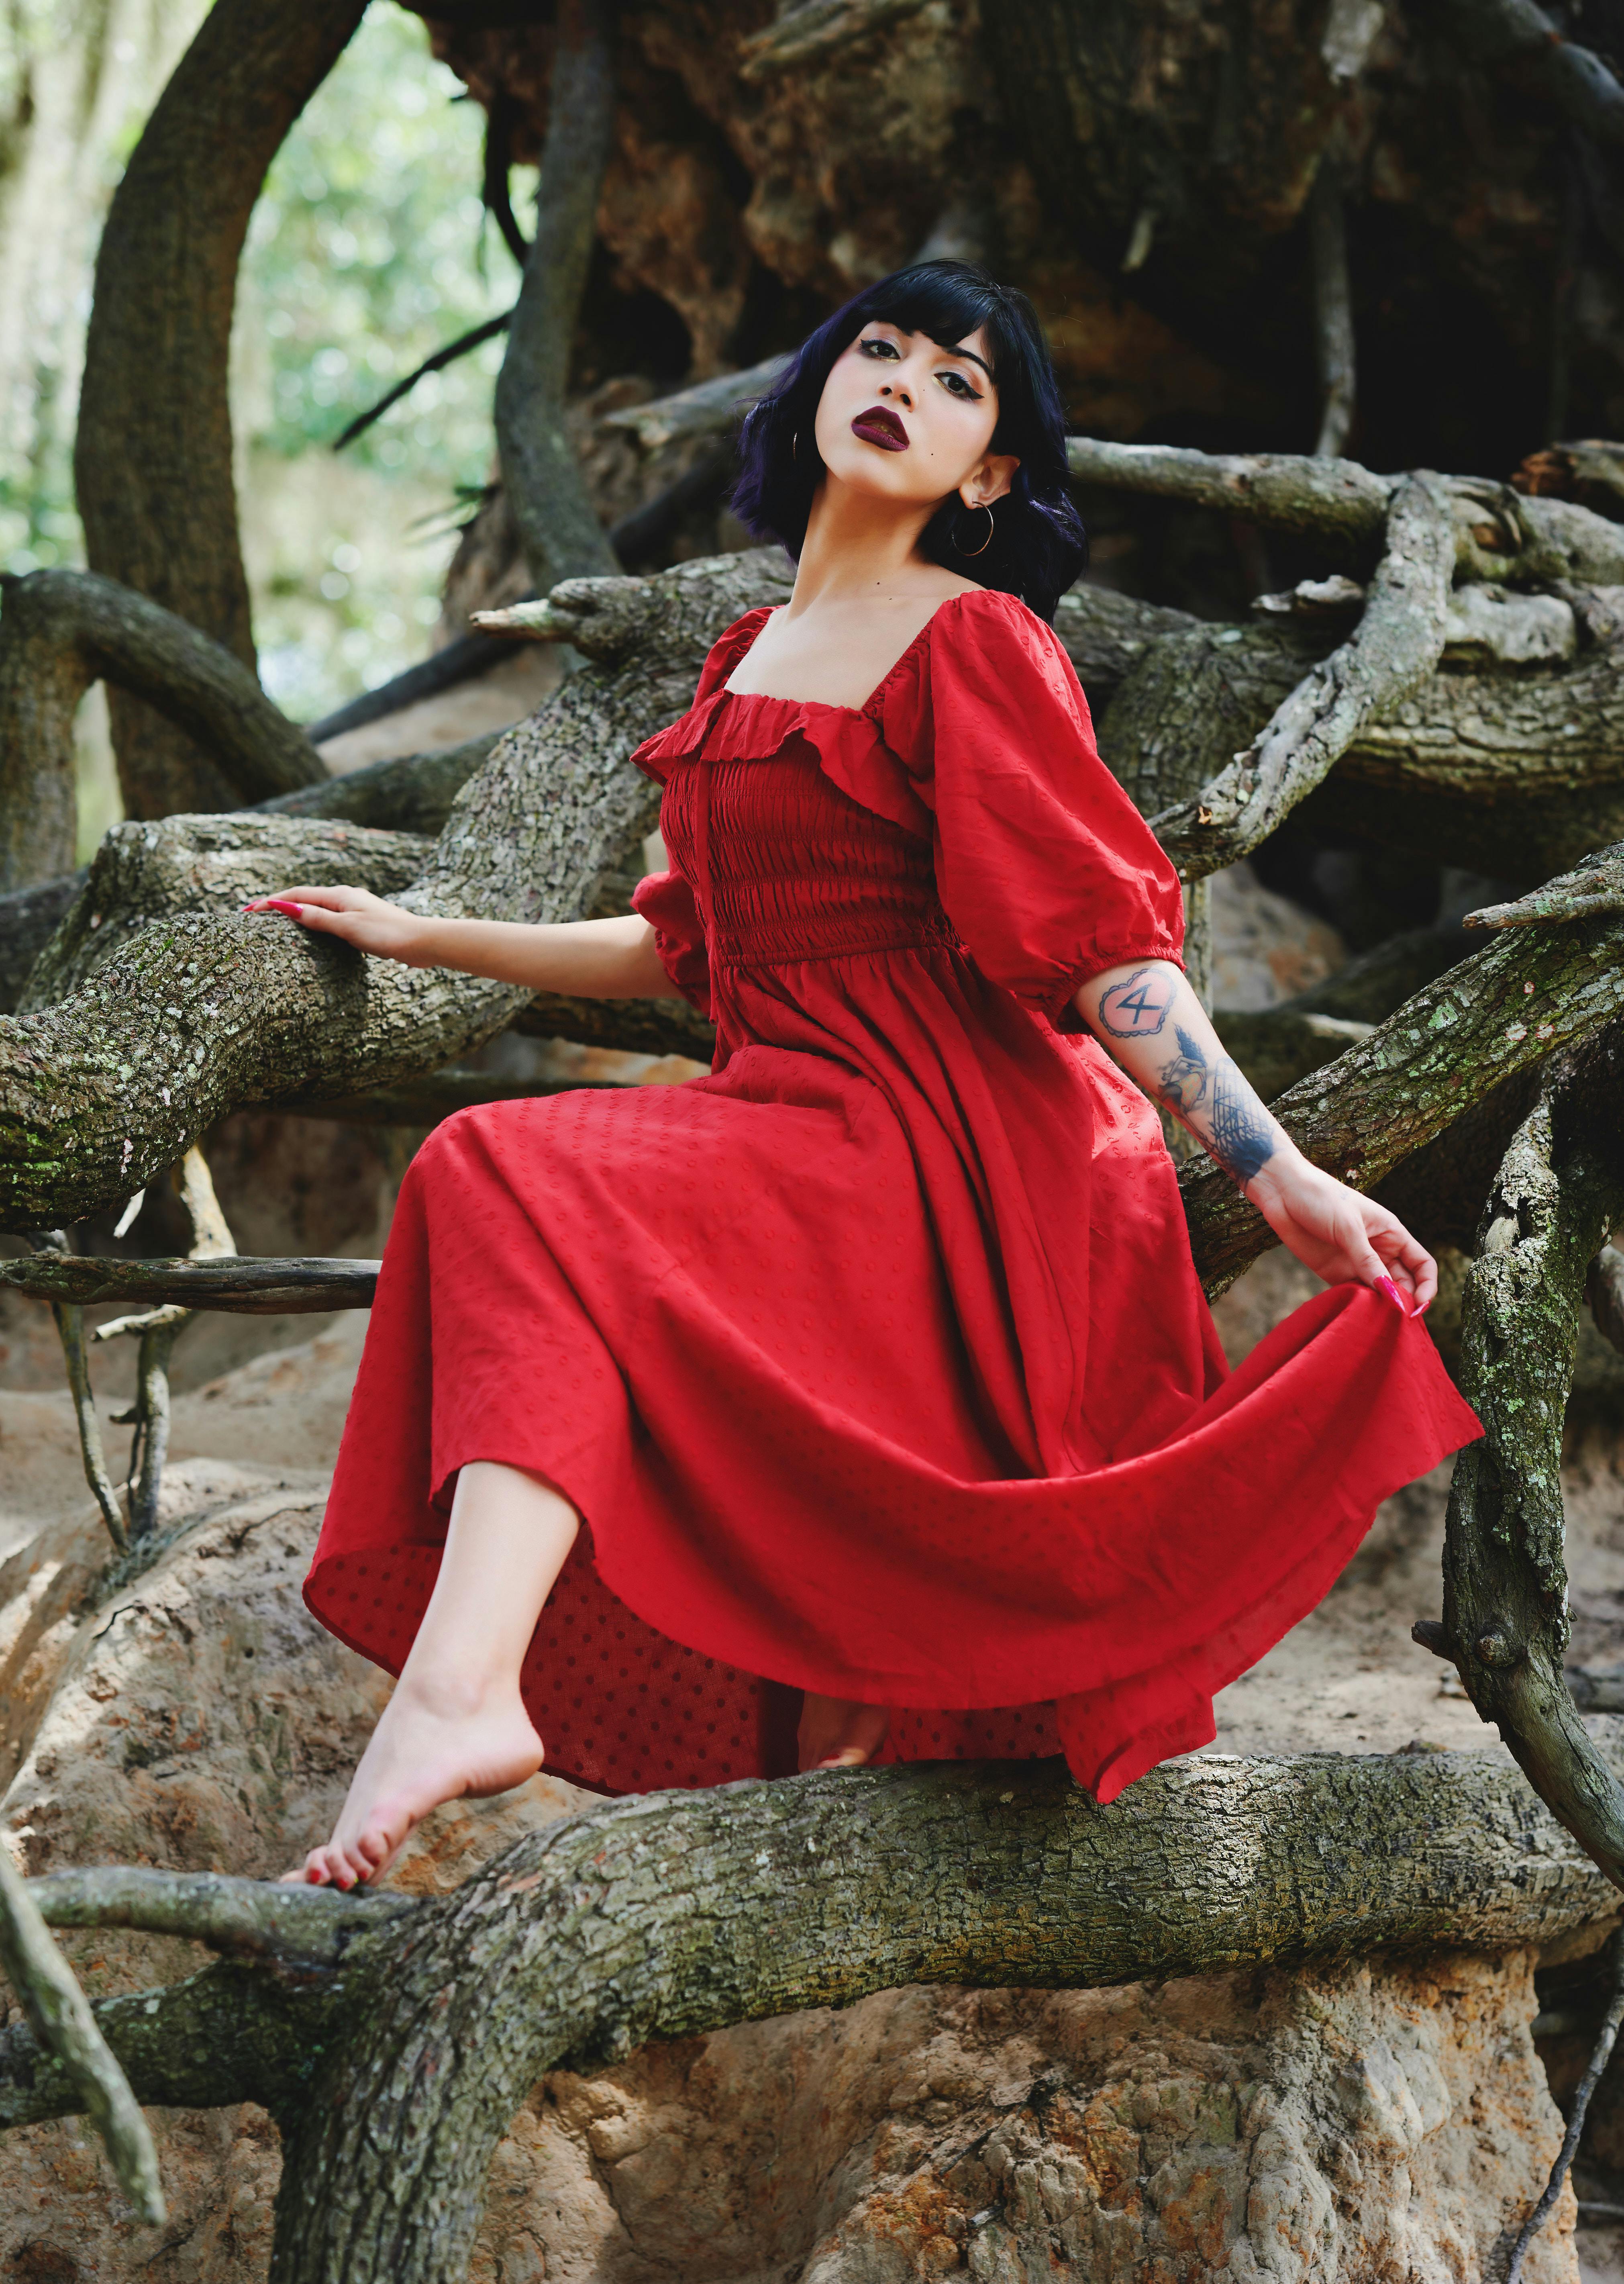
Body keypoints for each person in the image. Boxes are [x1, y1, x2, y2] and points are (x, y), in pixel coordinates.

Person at [249, 261, 1481, 1892]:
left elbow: (1110, 953)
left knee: (496, 1167)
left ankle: (467, 1690)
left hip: (969, 1152)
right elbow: (688, 951)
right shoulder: (745, 660)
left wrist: (1279, 1171)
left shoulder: (977, 643)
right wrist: (427, 938)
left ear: (988, 473)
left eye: (964, 380)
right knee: (511, 1186)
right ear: (822, 389)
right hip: (808, 1121)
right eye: (881, 347)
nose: (908, 377)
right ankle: (535, 1699)